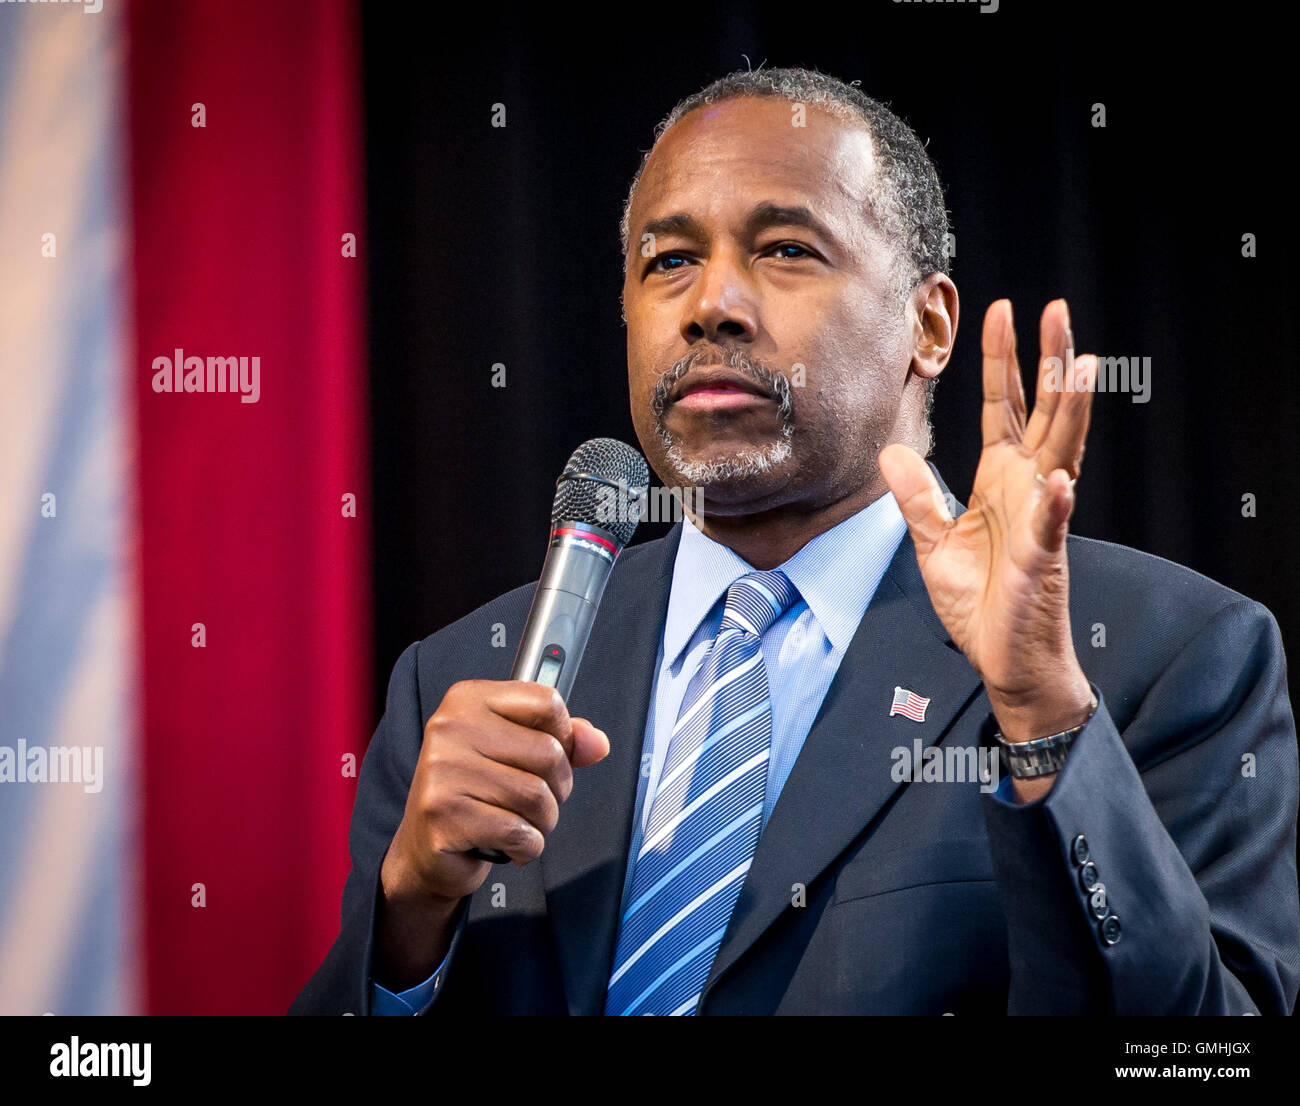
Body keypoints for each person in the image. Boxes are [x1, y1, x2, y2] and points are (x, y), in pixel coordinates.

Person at [291, 68, 1300, 1015]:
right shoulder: (463, 677)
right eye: (669, 260)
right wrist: (410, 918)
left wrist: (1038, 706)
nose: (710, 306)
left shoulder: (1166, 653)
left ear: (929, 326)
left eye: (783, 249)